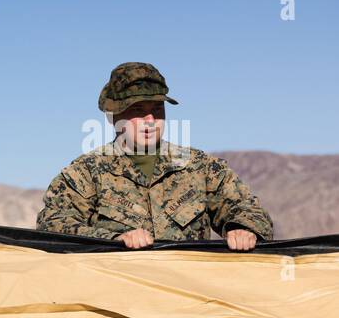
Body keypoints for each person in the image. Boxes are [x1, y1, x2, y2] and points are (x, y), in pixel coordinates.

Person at [37, 63, 272, 250]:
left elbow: (247, 209)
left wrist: (242, 229)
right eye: (138, 110)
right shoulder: (85, 173)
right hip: (115, 298)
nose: (150, 120)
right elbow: (53, 225)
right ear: (115, 116)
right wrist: (113, 239)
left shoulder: (200, 167)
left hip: (190, 297)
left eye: (157, 109)